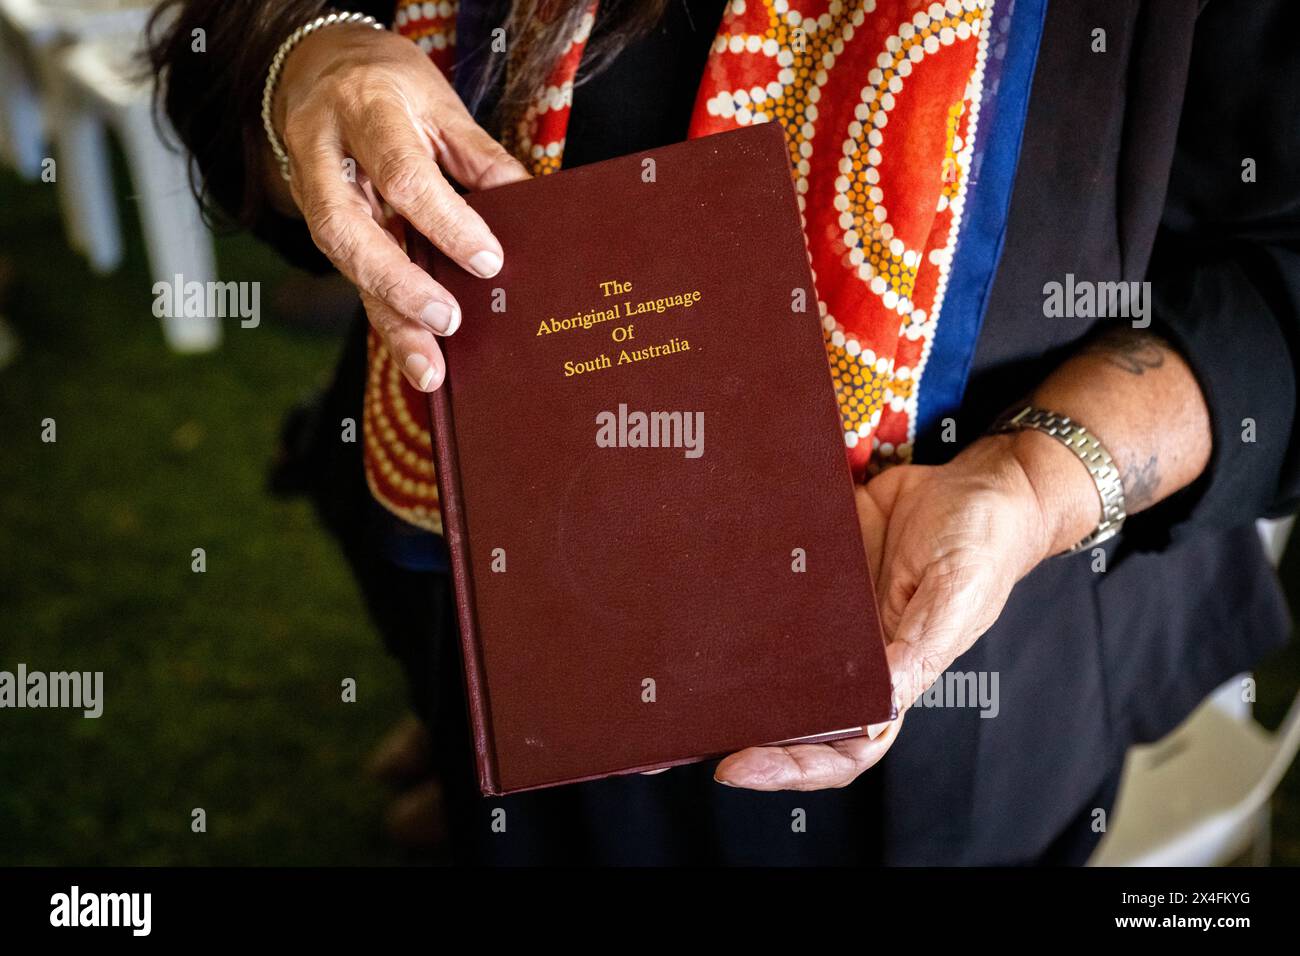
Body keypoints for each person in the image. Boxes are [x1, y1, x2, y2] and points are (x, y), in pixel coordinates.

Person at [148, 0, 1300, 864]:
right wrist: (311, 53)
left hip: (946, 626)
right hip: (489, 517)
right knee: (515, 793)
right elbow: (237, 27)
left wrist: (1033, 483)